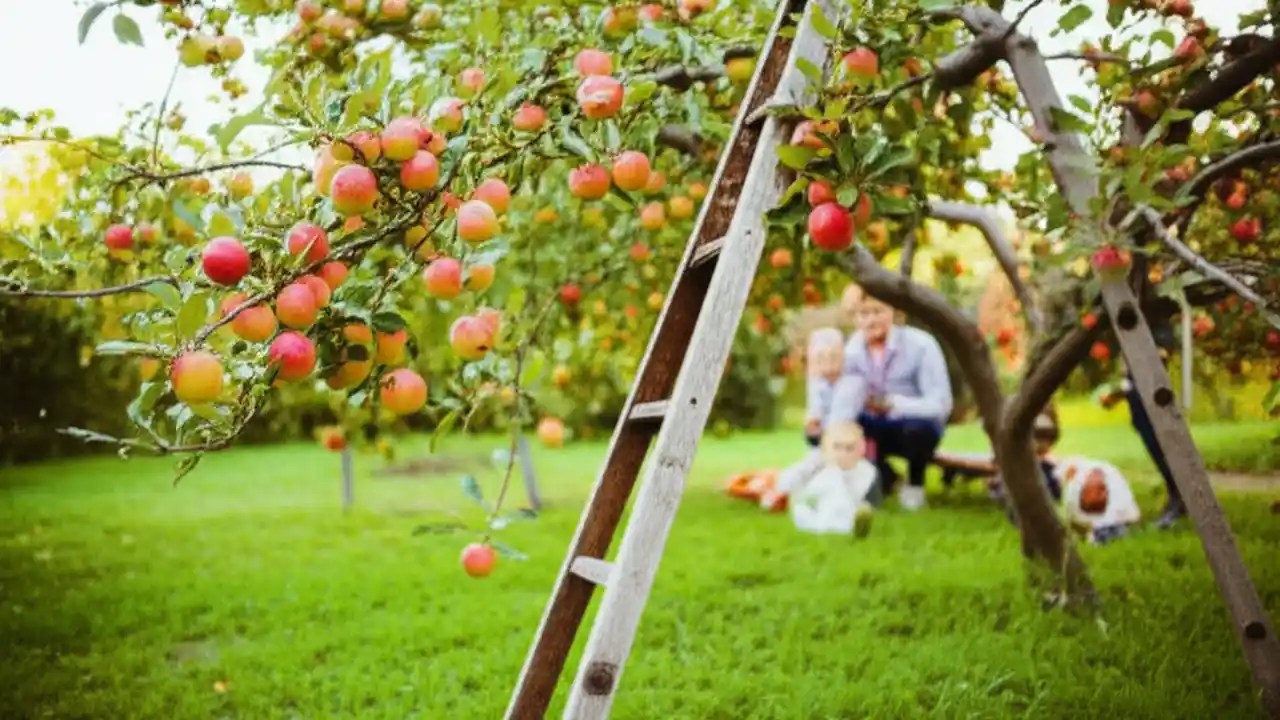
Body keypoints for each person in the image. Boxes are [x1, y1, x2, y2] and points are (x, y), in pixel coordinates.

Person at [826, 296, 954, 510]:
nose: (871, 320)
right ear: (855, 318)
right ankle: (882, 479)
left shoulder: (921, 344)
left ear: (893, 312)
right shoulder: (850, 350)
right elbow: (840, 401)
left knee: (918, 430)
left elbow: (940, 405)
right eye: (864, 314)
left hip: (913, 425)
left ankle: (915, 486)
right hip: (872, 425)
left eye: (878, 312)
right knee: (840, 427)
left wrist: (893, 404)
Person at [765, 420, 880, 536]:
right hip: (819, 510)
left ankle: (852, 526)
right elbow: (804, 490)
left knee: (847, 510)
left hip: (848, 509)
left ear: (861, 450)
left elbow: (865, 498)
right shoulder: (822, 469)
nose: (842, 453)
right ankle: (834, 527)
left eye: (849, 448)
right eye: (837, 447)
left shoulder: (867, 471)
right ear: (826, 449)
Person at [1058, 457, 1142, 544]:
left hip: (1097, 524)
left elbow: (1072, 516)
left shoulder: (1075, 483)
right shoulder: (1108, 469)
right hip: (1122, 518)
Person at [804, 327, 848, 448]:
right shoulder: (816, 382)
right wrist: (812, 424)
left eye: (833, 356)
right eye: (820, 357)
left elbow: (844, 417)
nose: (827, 362)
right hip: (826, 442)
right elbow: (814, 415)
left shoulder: (851, 382)